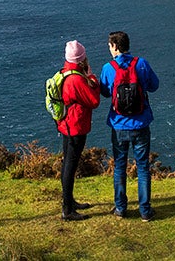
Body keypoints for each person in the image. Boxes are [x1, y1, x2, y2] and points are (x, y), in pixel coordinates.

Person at [99, 30, 160, 221]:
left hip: (119, 125)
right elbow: (154, 85)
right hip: (141, 123)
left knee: (119, 166)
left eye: (110, 46)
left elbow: (105, 92)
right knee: (142, 167)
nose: (109, 49)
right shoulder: (141, 64)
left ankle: (120, 208)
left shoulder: (108, 68)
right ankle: (145, 211)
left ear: (115, 46)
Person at [57, 40, 100, 221]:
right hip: (75, 127)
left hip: (66, 124)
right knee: (70, 165)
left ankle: (69, 201)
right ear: (81, 59)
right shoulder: (76, 79)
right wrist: (92, 78)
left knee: (68, 163)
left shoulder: (64, 72)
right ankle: (67, 210)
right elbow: (94, 101)